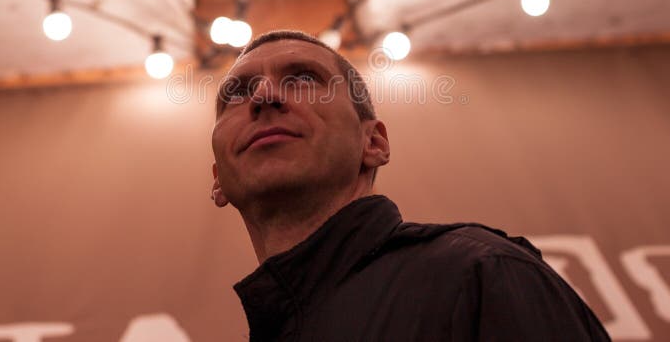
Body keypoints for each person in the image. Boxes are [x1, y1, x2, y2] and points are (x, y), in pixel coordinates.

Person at [210, 29, 611, 341]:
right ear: (218, 180)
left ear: (373, 143)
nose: (264, 95)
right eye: (238, 93)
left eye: (302, 78)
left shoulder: (482, 275)